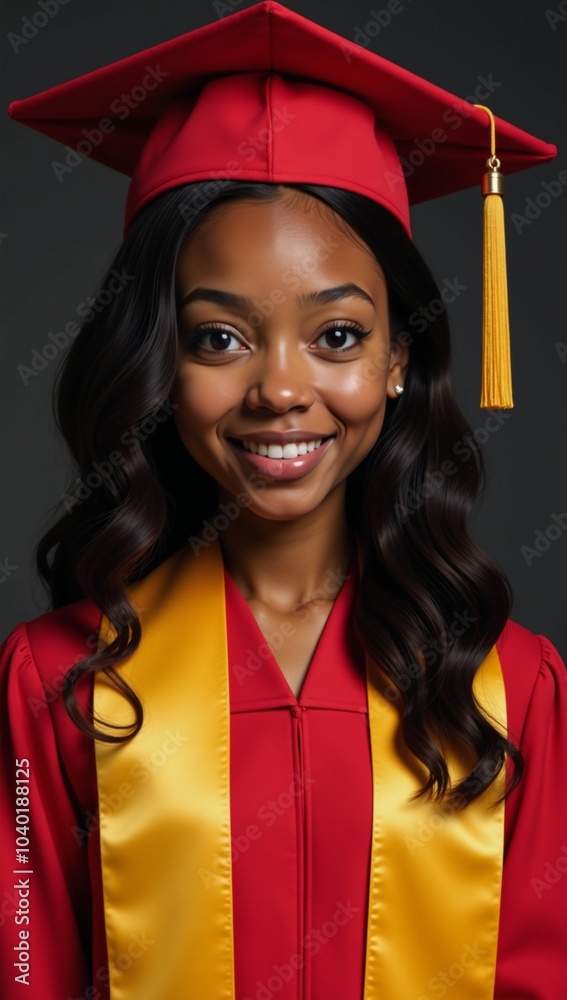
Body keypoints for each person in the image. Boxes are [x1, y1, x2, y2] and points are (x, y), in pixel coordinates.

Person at [1, 2, 566, 998]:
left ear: (400, 358)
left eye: (338, 336)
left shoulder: (509, 688)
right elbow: (21, 966)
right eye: (220, 337)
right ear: (160, 363)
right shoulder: (59, 681)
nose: (280, 389)